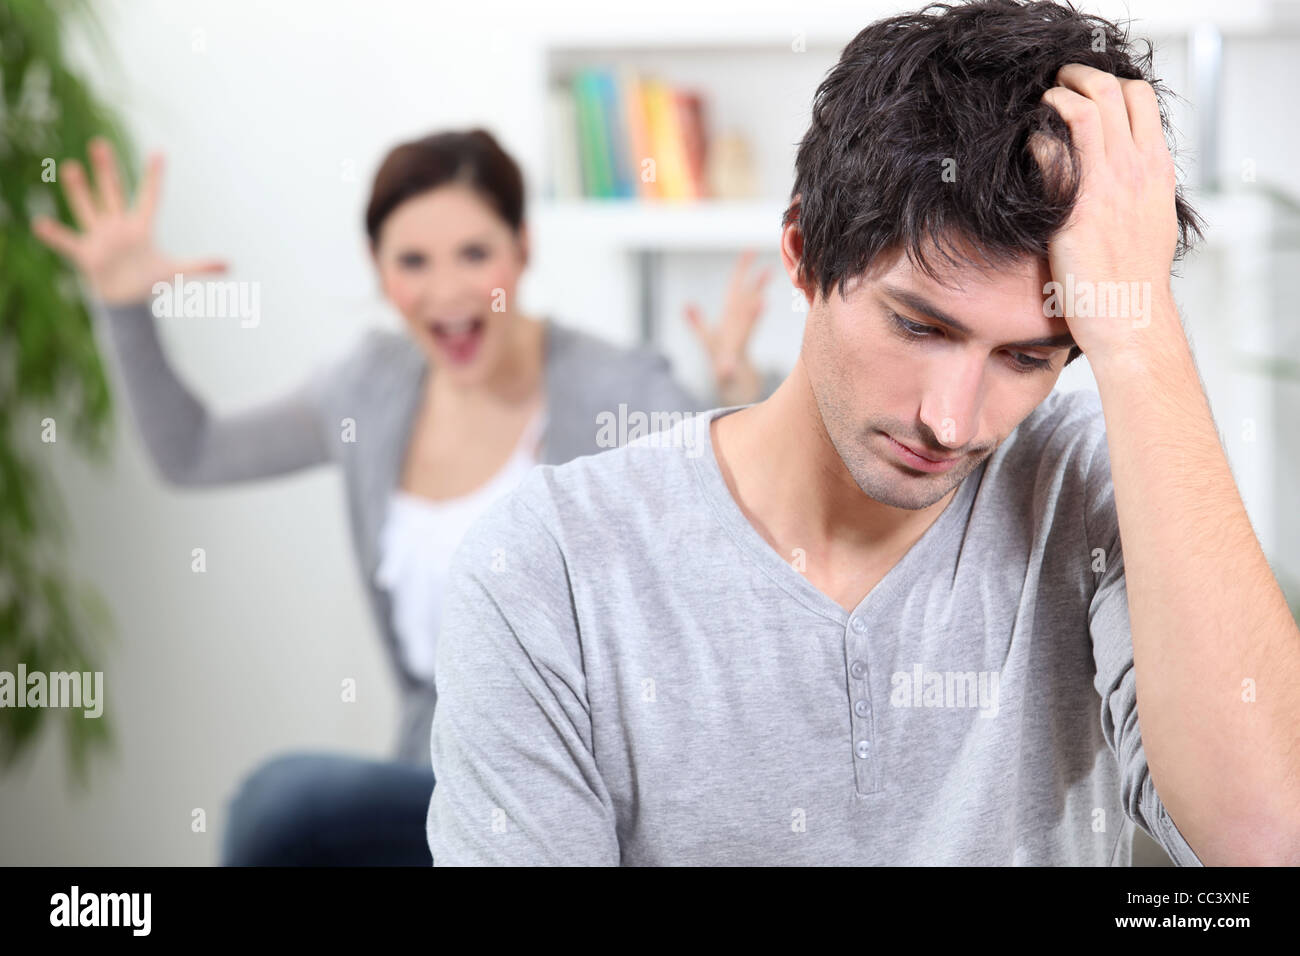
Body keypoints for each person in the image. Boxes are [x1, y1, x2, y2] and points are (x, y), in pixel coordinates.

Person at [426, 0, 1300, 866]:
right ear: (804, 251)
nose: (951, 421)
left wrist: (1139, 330)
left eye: (1025, 359)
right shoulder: (551, 567)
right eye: (919, 327)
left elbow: (1266, 842)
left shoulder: (1083, 484)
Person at [31, 128, 778, 865]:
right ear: (379, 270)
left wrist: (741, 396)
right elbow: (191, 454)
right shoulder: (368, 388)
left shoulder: (613, 389)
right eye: (413, 261)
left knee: (281, 807)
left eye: (475, 254)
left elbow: (749, 514)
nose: (448, 290)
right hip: (430, 785)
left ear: (523, 250)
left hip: (576, 793)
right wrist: (124, 305)